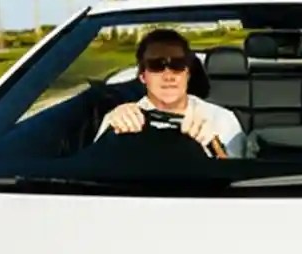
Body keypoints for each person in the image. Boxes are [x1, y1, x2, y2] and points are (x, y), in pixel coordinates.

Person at [97, 28, 247, 158]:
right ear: (142, 76)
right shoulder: (121, 118)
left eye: (177, 64)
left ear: (187, 73)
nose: (168, 76)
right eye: (156, 66)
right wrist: (114, 131)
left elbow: (238, 182)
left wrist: (214, 146)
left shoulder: (222, 119)